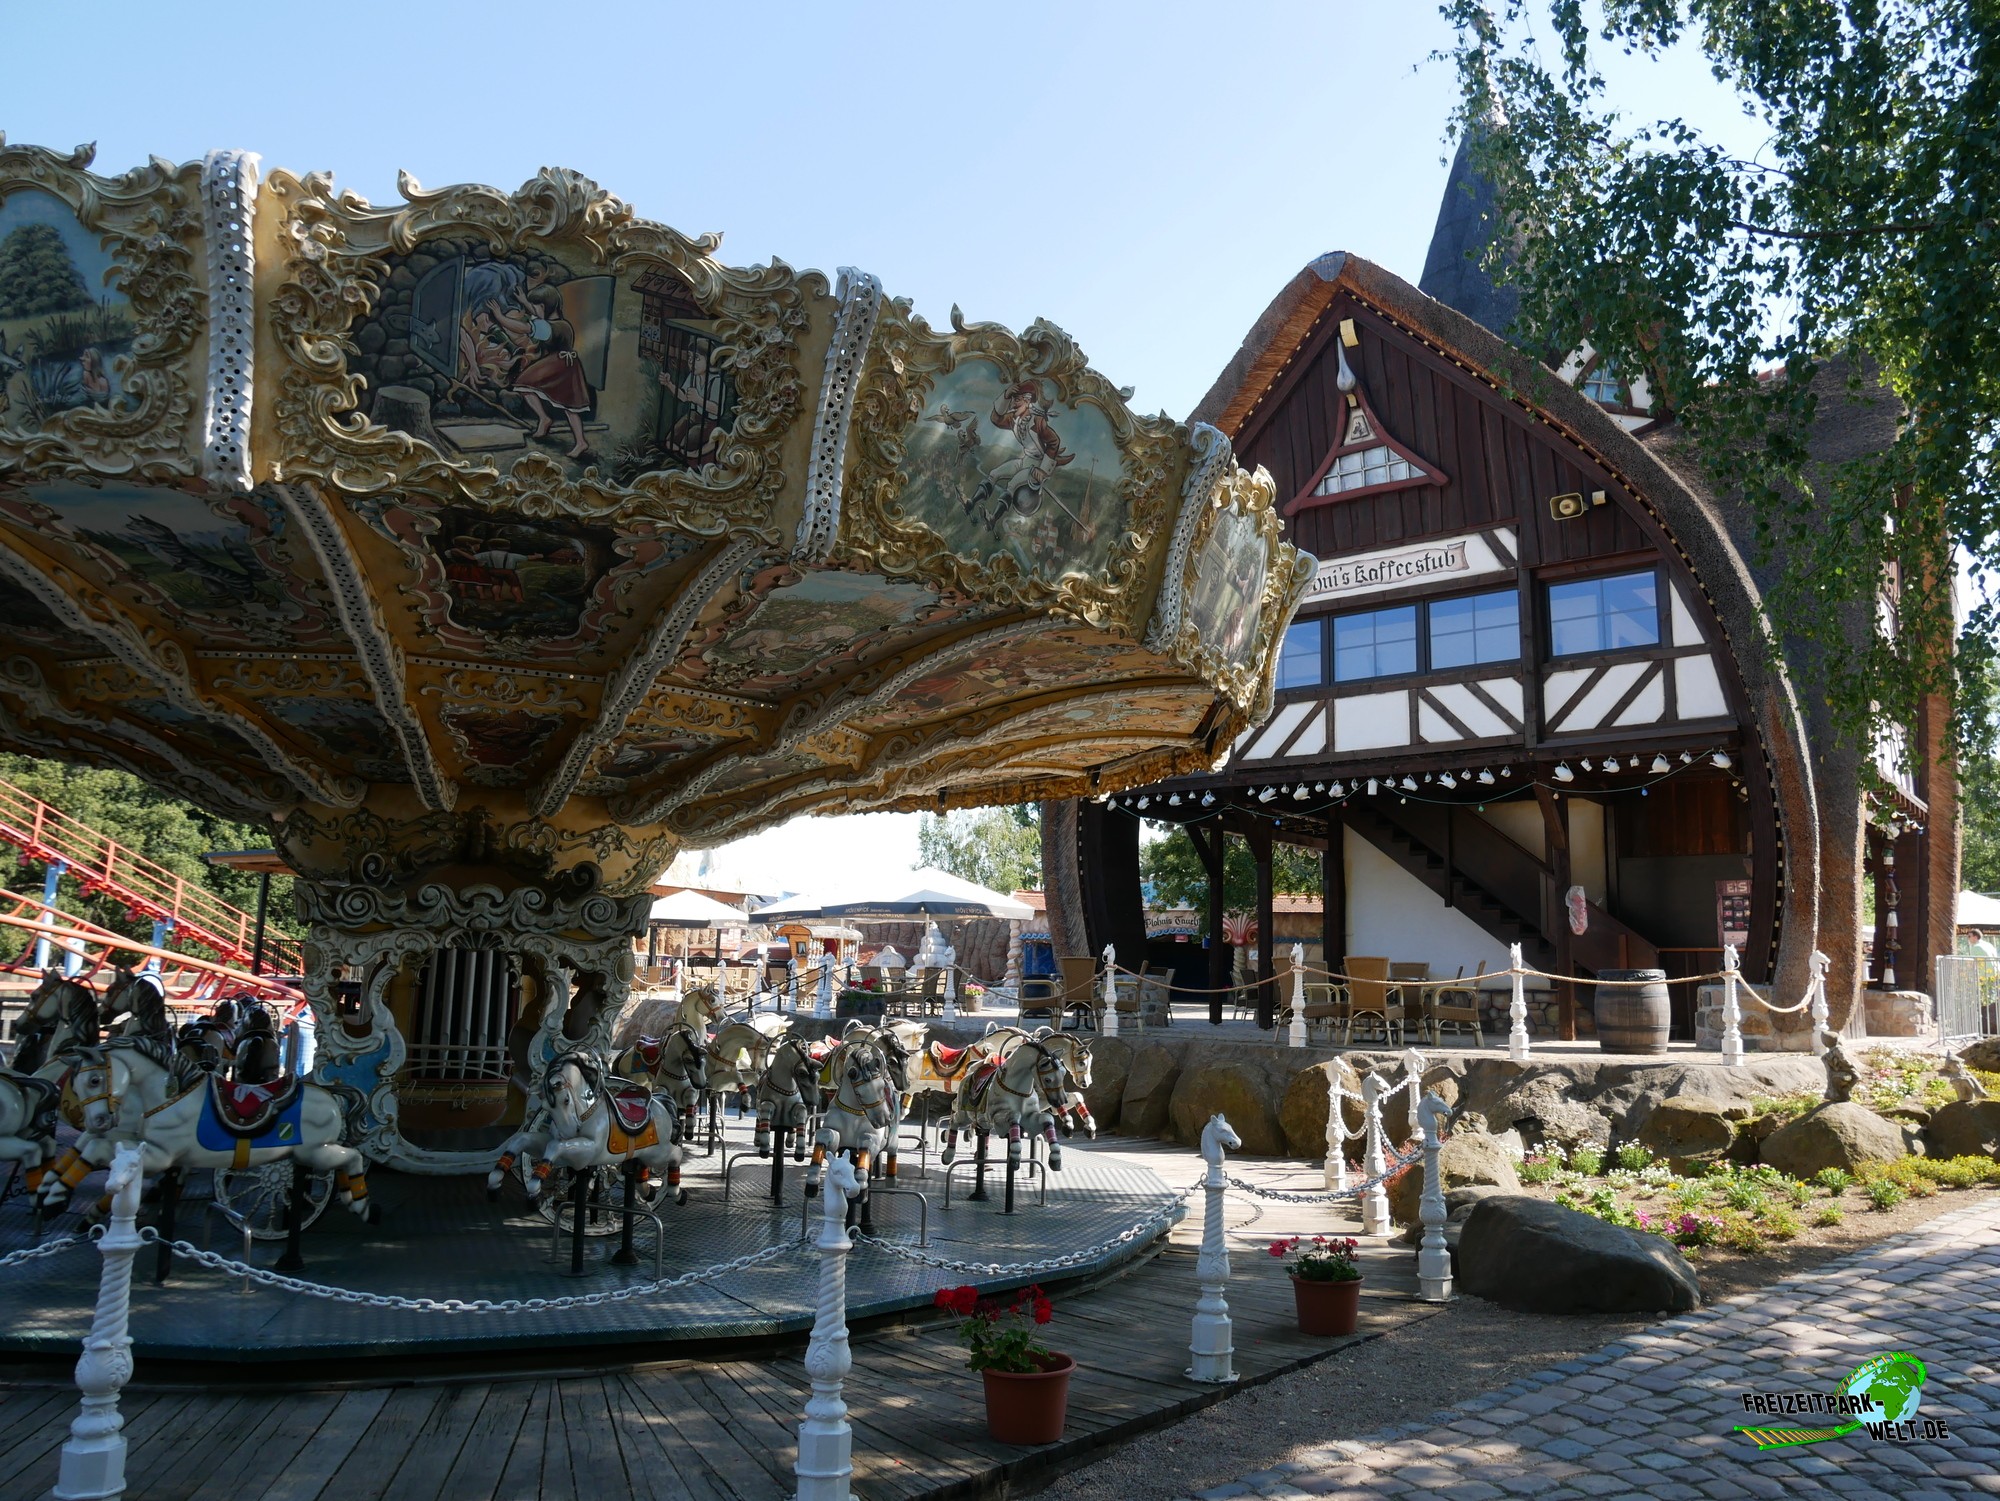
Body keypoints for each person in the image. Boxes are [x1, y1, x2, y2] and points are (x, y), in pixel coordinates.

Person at [966, 379, 1072, 530]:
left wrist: (1042, 470)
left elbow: (1054, 442)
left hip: (1036, 467)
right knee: (994, 474)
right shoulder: (1013, 419)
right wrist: (1005, 395)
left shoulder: (1038, 421)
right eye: (1012, 400)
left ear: (1027, 401)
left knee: (1012, 484)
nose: (1012, 404)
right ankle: (972, 502)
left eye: (1016, 400)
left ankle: (993, 519)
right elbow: (995, 419)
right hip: (1025, 460)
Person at [510, 286, 593, 459]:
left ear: (546, 306)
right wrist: (524, 301)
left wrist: (499, 316)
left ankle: (580, 442)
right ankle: (545, 419)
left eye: (537, 306)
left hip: (563, 364)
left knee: (570, 406)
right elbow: (538, 315)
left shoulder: (554, 327)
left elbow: (524, 328)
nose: (534, 310)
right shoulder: (555, 322)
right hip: (558, 363)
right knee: (524, 383)